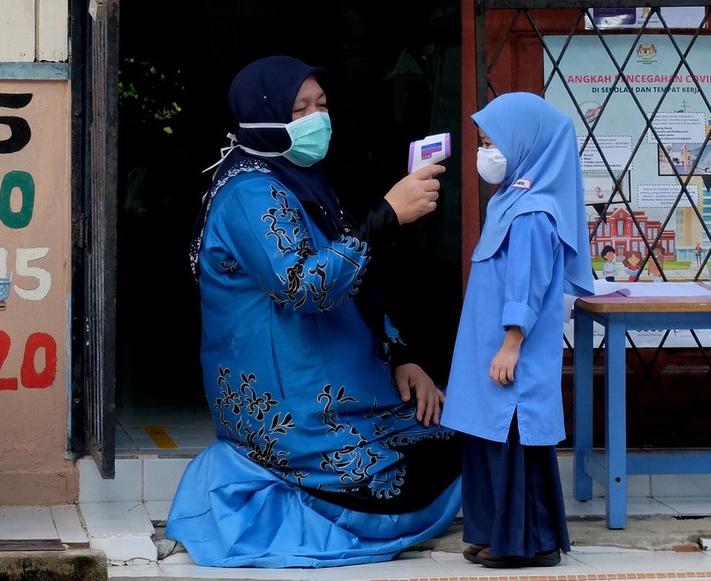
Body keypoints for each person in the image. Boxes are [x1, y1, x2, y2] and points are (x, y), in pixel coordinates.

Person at [164, 56, 462, 568]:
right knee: (415, 470)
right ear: (262, 116)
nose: (315, 119)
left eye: (321, 105)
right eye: (298, 109)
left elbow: (358, 281)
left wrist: (400, 357)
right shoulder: (250, 192)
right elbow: (304, 287)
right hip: (293, 413)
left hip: (343, 389)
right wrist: (386, 216)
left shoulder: (301, 181)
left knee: (458, 429)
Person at [441, 93, 594, 569]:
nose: (485, 154)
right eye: (484, 143)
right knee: (491, 438)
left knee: (513, 436)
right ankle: (498, 534)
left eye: (492, 143)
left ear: (526, 144)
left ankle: (527, 542)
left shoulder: (532, 213)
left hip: (512, 353)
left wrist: (511, 343)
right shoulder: (511, 200)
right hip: (494, 349)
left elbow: (526, 286)